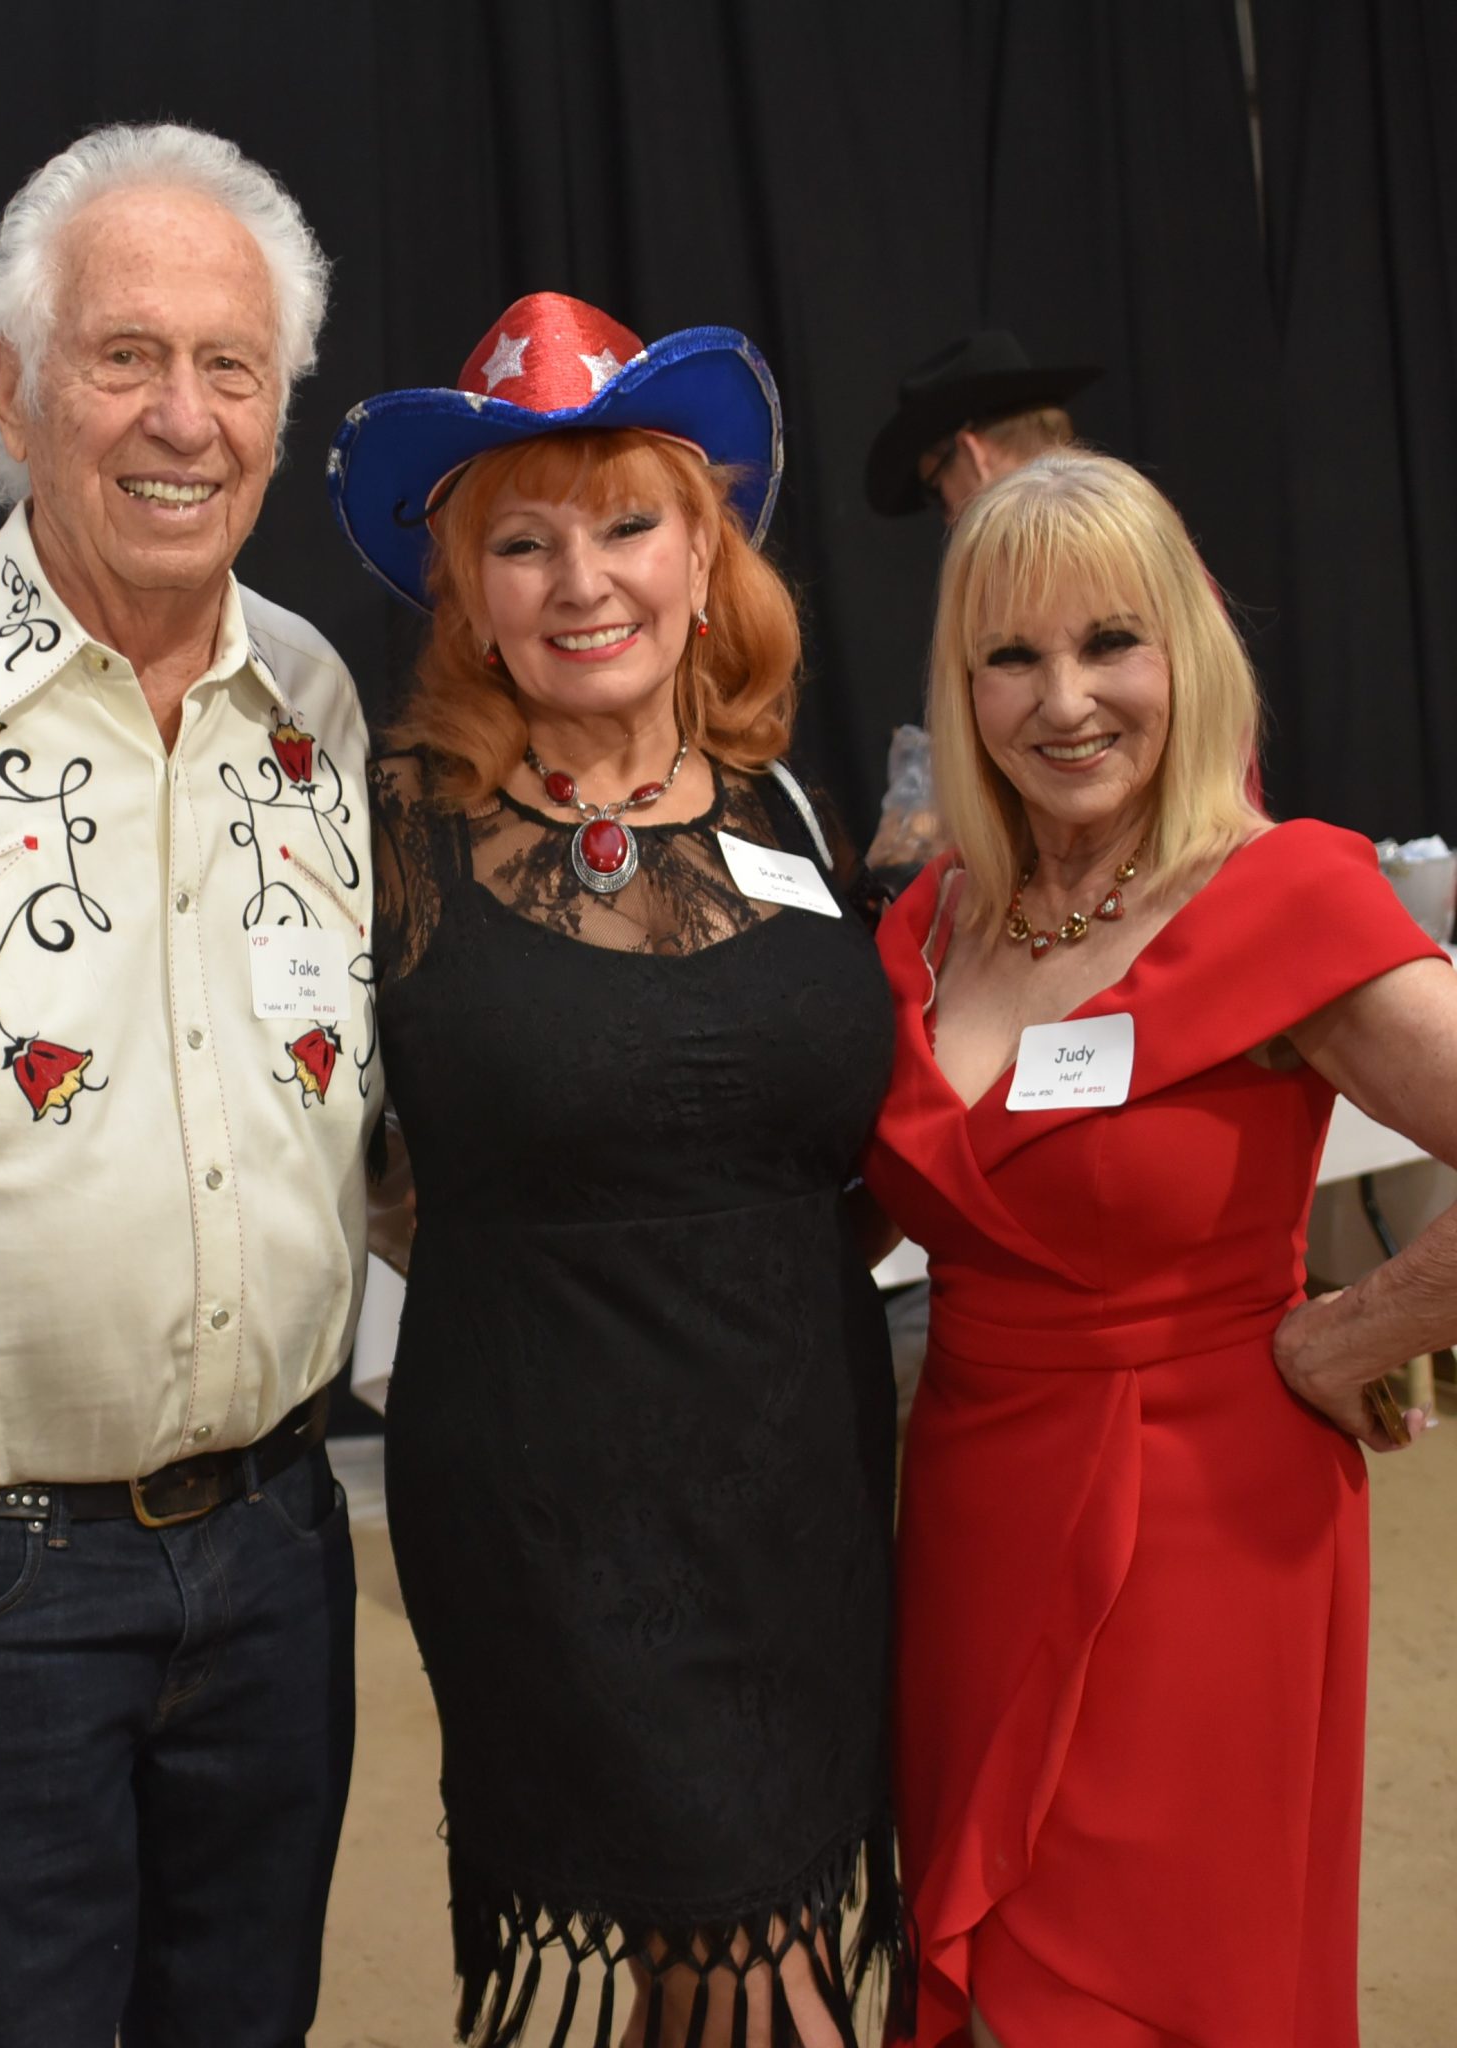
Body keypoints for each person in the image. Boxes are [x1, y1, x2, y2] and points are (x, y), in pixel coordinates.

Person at [0, 120, 376, 2046]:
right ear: (12, 388)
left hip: (285, 1542)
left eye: (231, 366)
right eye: (125, 357)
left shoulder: (319, 699)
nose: (181, 417)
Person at [330, 294, 907, 2048]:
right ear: (463, 587)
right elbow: (347, 1161)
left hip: (798, 1483)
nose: (580, 580)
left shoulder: (783, 812)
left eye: (626, 523)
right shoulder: (390, 834)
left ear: (702, 549)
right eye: (523, 539)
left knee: (736, 1938)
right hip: (553, 1508)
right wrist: (557, 1264)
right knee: (747, 1970)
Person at [862, 450, 1457, 2048]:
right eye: (1013, 656)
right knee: (982, 1982)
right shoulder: (930, 924)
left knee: (1163, 1986)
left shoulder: (1280, 897)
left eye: (1110, 643)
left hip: (1207, 1539)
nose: (1067, 701)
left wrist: (1351, 1333)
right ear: (962, 684)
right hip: (975, 1514)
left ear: (1188, 655)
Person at [864, 329, 1099, 524]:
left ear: (973, 454)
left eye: (939, 494)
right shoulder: (1124, 517)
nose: (949, 521)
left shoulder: (1015, 569)